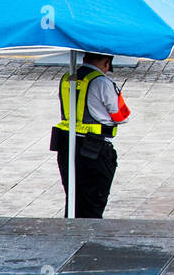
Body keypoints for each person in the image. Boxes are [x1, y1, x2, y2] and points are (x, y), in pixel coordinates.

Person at [50, 52, 130, 218]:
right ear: (107, 63)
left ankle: (70, 235)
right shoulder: (102, 82)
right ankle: (86, 241)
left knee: (73, 200)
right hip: (94, 150)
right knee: (93, 203)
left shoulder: (67, 77)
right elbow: (122, 117)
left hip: (67, 146)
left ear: (85, 58)